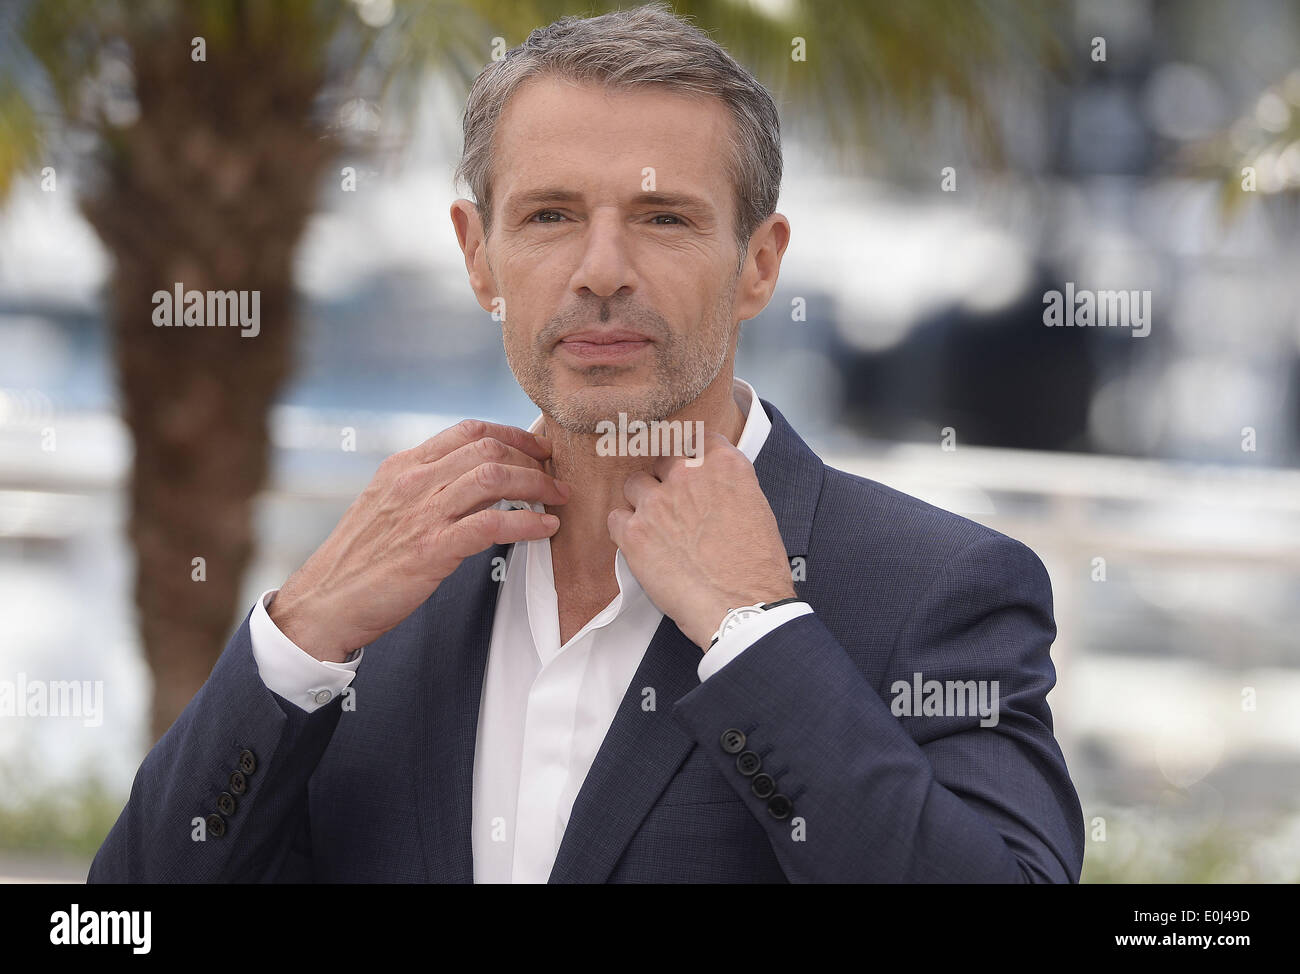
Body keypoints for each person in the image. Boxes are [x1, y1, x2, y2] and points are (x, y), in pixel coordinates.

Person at [90, 2, 1083, 883]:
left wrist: (759, 634)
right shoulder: (376, 603)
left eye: (661, 217)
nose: (601, 270)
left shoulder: (936, 590)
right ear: (480, 257)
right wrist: (293, 640)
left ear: (758, 263)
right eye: (551, 214)